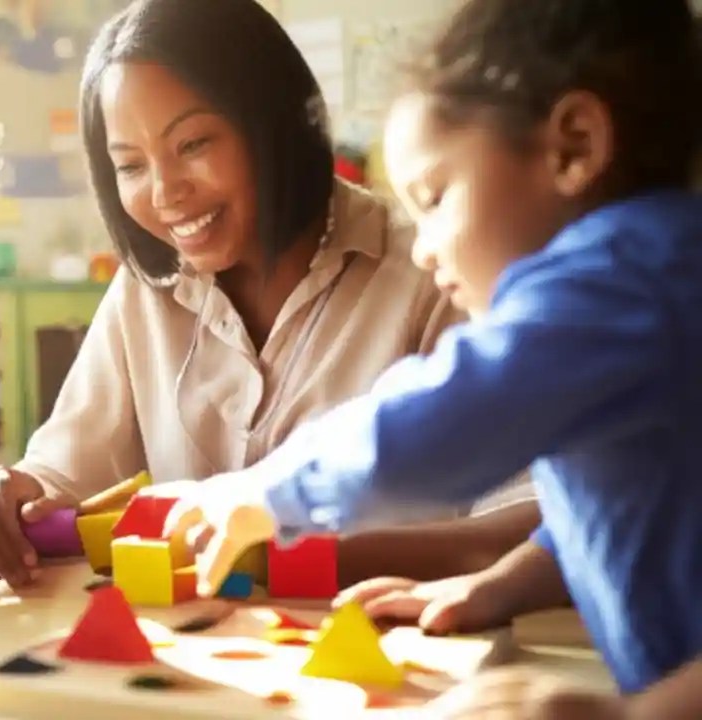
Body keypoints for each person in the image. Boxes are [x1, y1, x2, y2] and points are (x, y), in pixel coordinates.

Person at [165, 0, 702, 716]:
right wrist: (505, 583)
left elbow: (438, 426)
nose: (423, 248)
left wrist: (264, 491)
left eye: (436, 197)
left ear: (573, 147)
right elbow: (624, 512)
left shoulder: (619, 278)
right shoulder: (655, 280)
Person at [0, 0, 540, 595]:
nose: (165, 192)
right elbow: (69, 473)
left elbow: (534, 521)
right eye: (131, 165)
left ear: (271, 123)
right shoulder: (148, 289)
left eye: (193, 145)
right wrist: (14, 495)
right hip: (197, 662)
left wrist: (289, 555)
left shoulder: (434, 270)